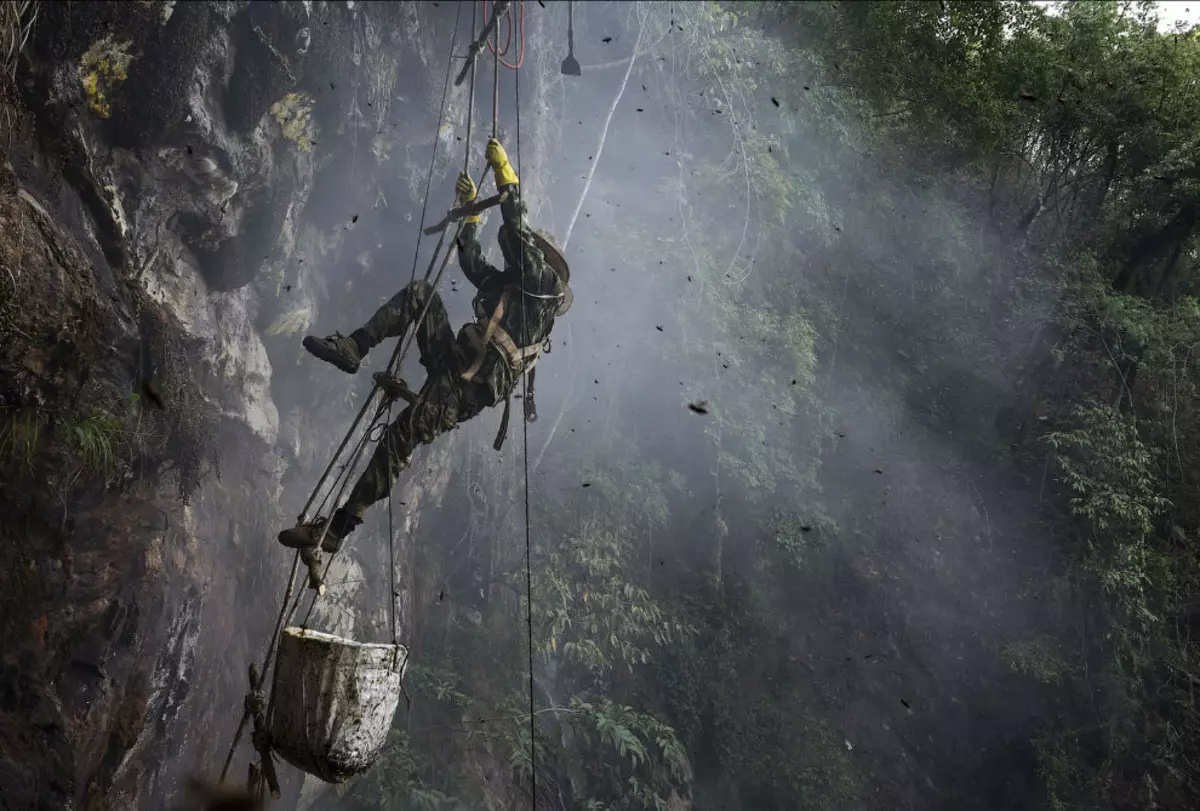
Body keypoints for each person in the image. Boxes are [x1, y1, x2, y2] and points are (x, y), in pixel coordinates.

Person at [278, 138, 572, 553]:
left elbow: (519, 234)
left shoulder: (541, 291)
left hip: (465, 390)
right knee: (421, 295)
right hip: (454, 363)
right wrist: (470, 218)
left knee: (404, 433)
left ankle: (335, 530)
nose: (521, 257)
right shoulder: (511, 287)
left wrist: (507, 178)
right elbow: (472, 264)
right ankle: (354, 348)